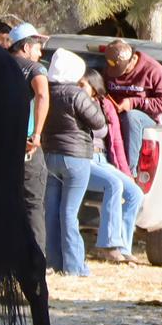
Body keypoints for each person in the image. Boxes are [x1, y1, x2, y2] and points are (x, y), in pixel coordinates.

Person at [42, 48, 107, 277]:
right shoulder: (76, 94)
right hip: (75, 156)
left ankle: (52, 262)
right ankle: (74, 266)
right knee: (69, 212)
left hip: (49, 154)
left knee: (50, 211)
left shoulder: (45, 90)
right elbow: (99, 123)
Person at [81, 70, 144, 264]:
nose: (78, 88)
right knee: (113, 184)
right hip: (85, 158)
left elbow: (115, 141)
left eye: (82, 85)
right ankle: (108, 245)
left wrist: (126, 171)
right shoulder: (75, 102)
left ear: (94, 87)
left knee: (135, 193)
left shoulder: (104, 105)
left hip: (102, 160)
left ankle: (124, 247)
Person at [8, 21, 51, 253]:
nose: (40, 52)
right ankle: (36, 258)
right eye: (37, 46)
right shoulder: (35, 69)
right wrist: (36, 134)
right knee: (33, 203)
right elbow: (42, 95)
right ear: (25, 47)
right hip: (24, 146)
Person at [102, 39, 162, 174]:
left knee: (131, 116)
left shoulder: (154, 70)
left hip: (145, 119)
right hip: (116, 116)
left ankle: (129, 172)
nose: (121, 74)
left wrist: (132, 103)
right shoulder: (109, 69)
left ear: (133, 58)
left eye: (124, 70)